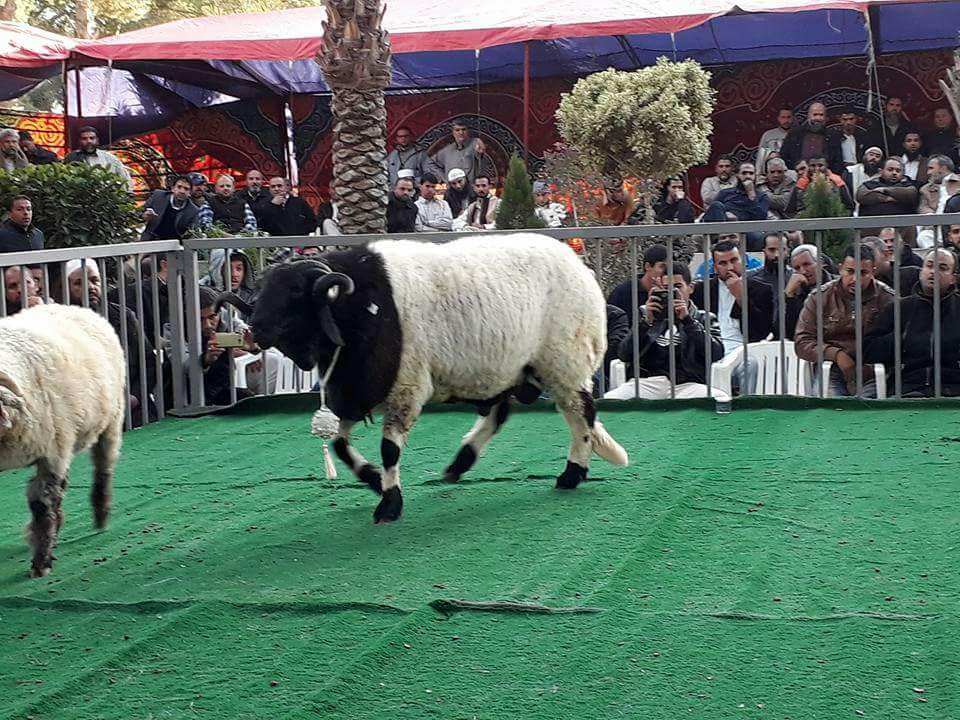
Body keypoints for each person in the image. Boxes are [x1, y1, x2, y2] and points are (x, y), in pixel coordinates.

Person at [64, 258, 159, 426]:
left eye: (94, 281)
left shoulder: (124, 316)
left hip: (134, 411)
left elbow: (149, 362)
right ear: (67, 288)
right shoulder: (59, 323)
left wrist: (135, 397)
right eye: (79, 283)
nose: (90, 287)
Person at [608, 262, 724, 399]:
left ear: (691, 288)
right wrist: (646, 322)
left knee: (720, 399)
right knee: (609, 402)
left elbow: (716, 353)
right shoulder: (645, 314)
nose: (673, 293)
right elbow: (624, 354)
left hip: (688, 384)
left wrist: (688, 321)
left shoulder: (704, 318)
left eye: (678, 287)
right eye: (666, 288)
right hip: (647, 382)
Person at [794, 243, 893, 396]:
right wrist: (837, 355)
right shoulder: (820, 297)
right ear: (840, 268)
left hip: (874, 371)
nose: (855, 279)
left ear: (873, 271)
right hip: (831, 368)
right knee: (830, 409)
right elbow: (802, 341)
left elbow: (900, 340)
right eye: (850, 271)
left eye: (863, 273)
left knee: (871, 411)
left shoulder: (887, 299)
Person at [864, 248, 960, 396]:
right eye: (929, 265)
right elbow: (869, 350)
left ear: (953, 278)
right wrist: (901, 337)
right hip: (907, 388)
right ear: (921, 271)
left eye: (942, 268)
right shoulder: (899, 308)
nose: (933, 272)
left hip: (953, 389)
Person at [692, 239, 774, 354]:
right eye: (723, 263)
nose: (730, 267)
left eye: (734, 260)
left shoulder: (761, 290)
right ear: (715, 268)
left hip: (745, 350)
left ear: (743, 262)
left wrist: (741, 297)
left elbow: (761, 332)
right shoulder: (701, 290)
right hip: (711, 349)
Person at [779, 244, 832, 340]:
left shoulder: (837, 285)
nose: (803, 271)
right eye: (797, 268)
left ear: (820, 262)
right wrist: (789, 295)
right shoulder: (795, 290)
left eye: (807, 264)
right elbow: (784, 331)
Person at [607, 243, 669, 323]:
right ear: (648, 266)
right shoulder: (624, 292)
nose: (667, 271)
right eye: (662, 266)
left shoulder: (672, 291)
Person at [63, 126, 133, 191]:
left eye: (92, 138)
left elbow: (124, 178)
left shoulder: (110, 158)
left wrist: (127, 195)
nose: (89, 141)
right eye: (84, 139)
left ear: (97, 140)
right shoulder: (71, 157)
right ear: (79, 141)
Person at [140, 175, 200, 241]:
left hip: (174, 244)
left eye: (186, 189)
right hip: (150, 239)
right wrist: (144, 215)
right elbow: (138, 213)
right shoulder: (158, 196)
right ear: (173, 188)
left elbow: (193, 232)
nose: (182, 191)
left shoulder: (193, 211)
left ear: (190, 193)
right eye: (179, 187)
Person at [780, 102, 829, 169]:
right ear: (808, 116)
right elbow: (784, 156)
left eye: (821, 115)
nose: (818, 118)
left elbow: (837, 161)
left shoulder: (832, 135)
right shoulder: (795, 133)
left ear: (825, 117)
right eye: (815, 115)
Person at [427, 118, 476, 183]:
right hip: (452, 189)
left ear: (468, 131)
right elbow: (431, 163)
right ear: (453, 132)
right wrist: (444, 178)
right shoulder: (447, 150)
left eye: (463, 129)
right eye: (457, 130)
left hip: (471, 188)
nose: (461, 132)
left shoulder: (474, 145)